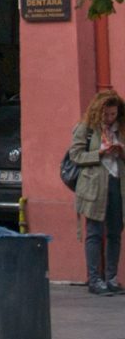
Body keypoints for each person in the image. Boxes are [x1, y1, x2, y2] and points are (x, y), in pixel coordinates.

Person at [66, 87, 125, 296]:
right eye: (107, 114)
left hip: (117, 182)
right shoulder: (86, 128)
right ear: (98, 111)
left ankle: (111, 278)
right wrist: (99, 153)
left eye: (113, 114)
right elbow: (75, 155)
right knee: (94, 232)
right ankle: (94, 279)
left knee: (115, 232)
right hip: (93, 185)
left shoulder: (121, 128)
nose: (110, 118)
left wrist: (120, 150)